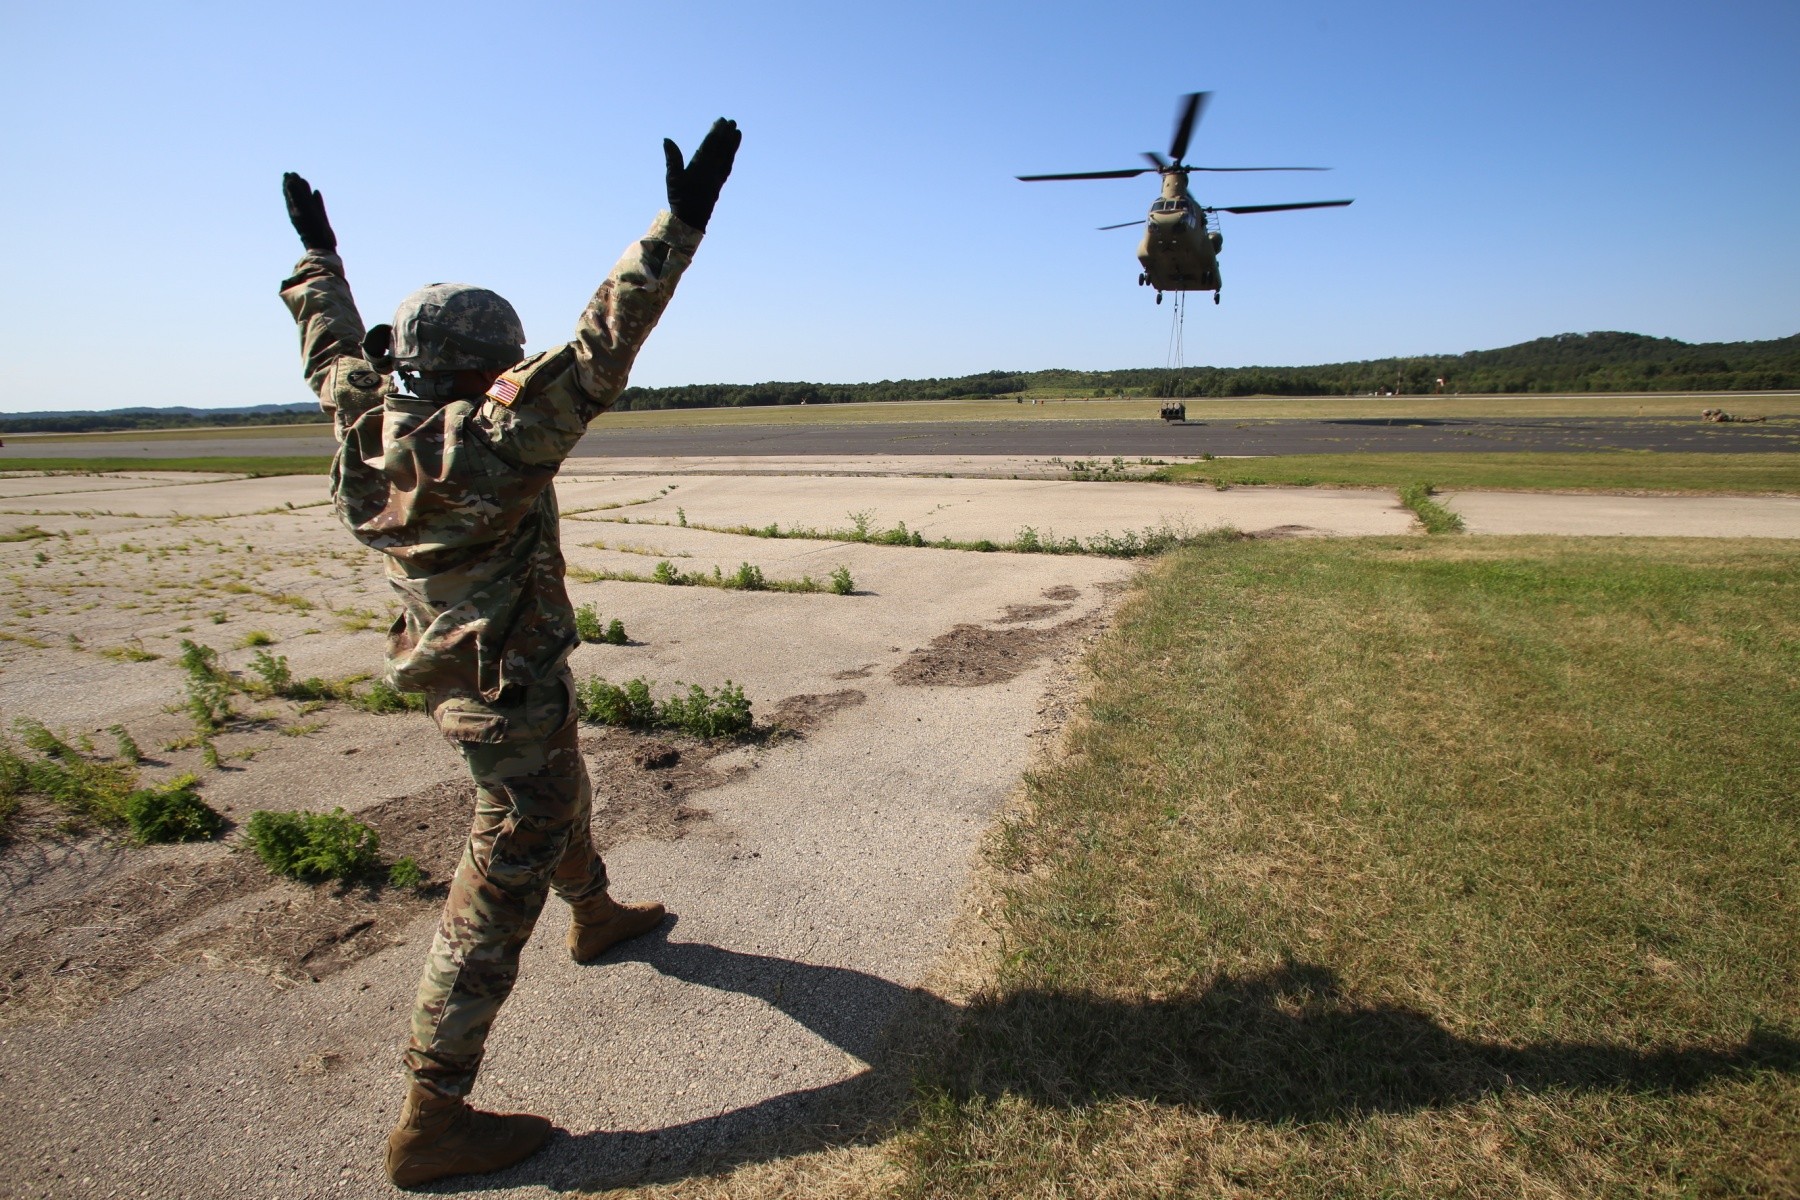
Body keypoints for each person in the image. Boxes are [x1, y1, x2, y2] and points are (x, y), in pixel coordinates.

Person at [278, 118, 741, 1188]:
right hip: (506, 679)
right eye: (500, 363)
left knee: (557, 778)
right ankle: (432, 1116)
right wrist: (679, 226)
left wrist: (320, 262)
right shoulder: (491, 441)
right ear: (484, 370)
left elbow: (335, 354)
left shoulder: (364, 432)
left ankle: (596, 912)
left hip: (457, 672)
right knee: (504, 865)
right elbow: (596, 350)